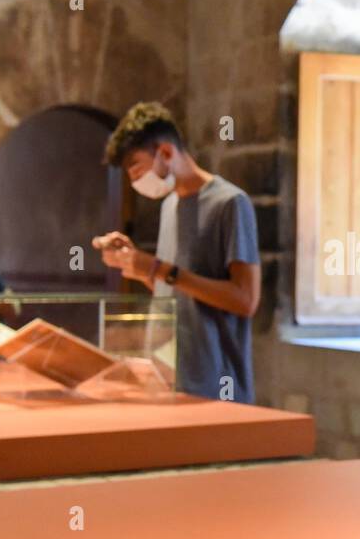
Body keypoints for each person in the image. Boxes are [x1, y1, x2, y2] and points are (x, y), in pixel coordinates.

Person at [95, 102, 260, 403]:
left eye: (136, 167)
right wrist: (138, 266)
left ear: (166, 153)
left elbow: (246, 299)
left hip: (218, 385)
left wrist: (159, 269)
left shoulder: (231, 203)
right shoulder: (170, 205)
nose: (134, 181)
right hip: (171, 378)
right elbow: (178, 294)